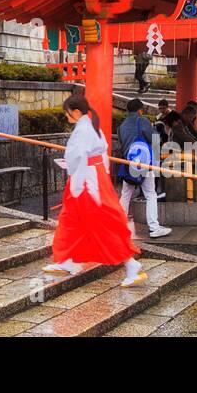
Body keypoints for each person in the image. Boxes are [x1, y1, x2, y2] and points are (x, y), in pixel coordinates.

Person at [47, 93, 148, 287]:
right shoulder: (92, 127)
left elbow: (77, 158)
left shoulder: (83, 129)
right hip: (93, 178)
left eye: (68, 114)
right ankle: (65, 259)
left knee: (96, 223)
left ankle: (130, 264)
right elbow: (100, 155)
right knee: (73, 220)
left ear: (76, 112)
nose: (67, 117)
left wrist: (77, 183)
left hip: (85, 181)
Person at [116, 98, 172, 240]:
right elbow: (155, 139)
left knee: (125, 194)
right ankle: (154, 227)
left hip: (129, 163)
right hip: (145, 163)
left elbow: (122, 146)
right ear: (140, 110)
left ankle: (118, 227)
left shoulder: (121, 126)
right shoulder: (143, 121)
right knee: (150, 193)